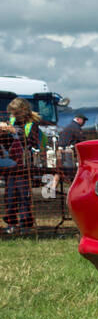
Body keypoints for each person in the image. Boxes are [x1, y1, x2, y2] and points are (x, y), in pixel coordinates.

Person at [2, 98, 43, 234]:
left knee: (23, 195)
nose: (12, 115)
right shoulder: (12, 121)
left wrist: (15, 133)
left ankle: (25, 224)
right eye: (11, 113)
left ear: (22, 111)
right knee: (9, 195)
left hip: (25, 165)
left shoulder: (33, 124)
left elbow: (33, 142)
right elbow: (7, 141)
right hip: (10, 163)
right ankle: (11, 224)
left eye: (14, 112)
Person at [57, 111, 88, 183]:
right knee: (70, 169)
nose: (84, 123)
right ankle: (75, 182)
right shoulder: (75, 127)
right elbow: (81, 139)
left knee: (60, 170)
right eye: (83, 121)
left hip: (62, 150)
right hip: (67, 151)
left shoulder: (70, 125)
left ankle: (54, 186)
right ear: (79, 119)